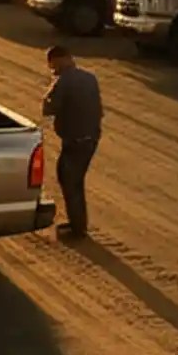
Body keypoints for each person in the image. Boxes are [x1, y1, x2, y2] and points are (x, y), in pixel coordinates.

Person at [41, 45, 103, 238]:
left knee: (69, 181)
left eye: (52, 65)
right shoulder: (89, 78)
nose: (52, 69)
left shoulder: (63, 82)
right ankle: (78, 223)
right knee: (75, 180)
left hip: (74, 142)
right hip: (90, 139)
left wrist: (50, 89)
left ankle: (77, 229)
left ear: (58, 60)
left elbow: (48, 109)